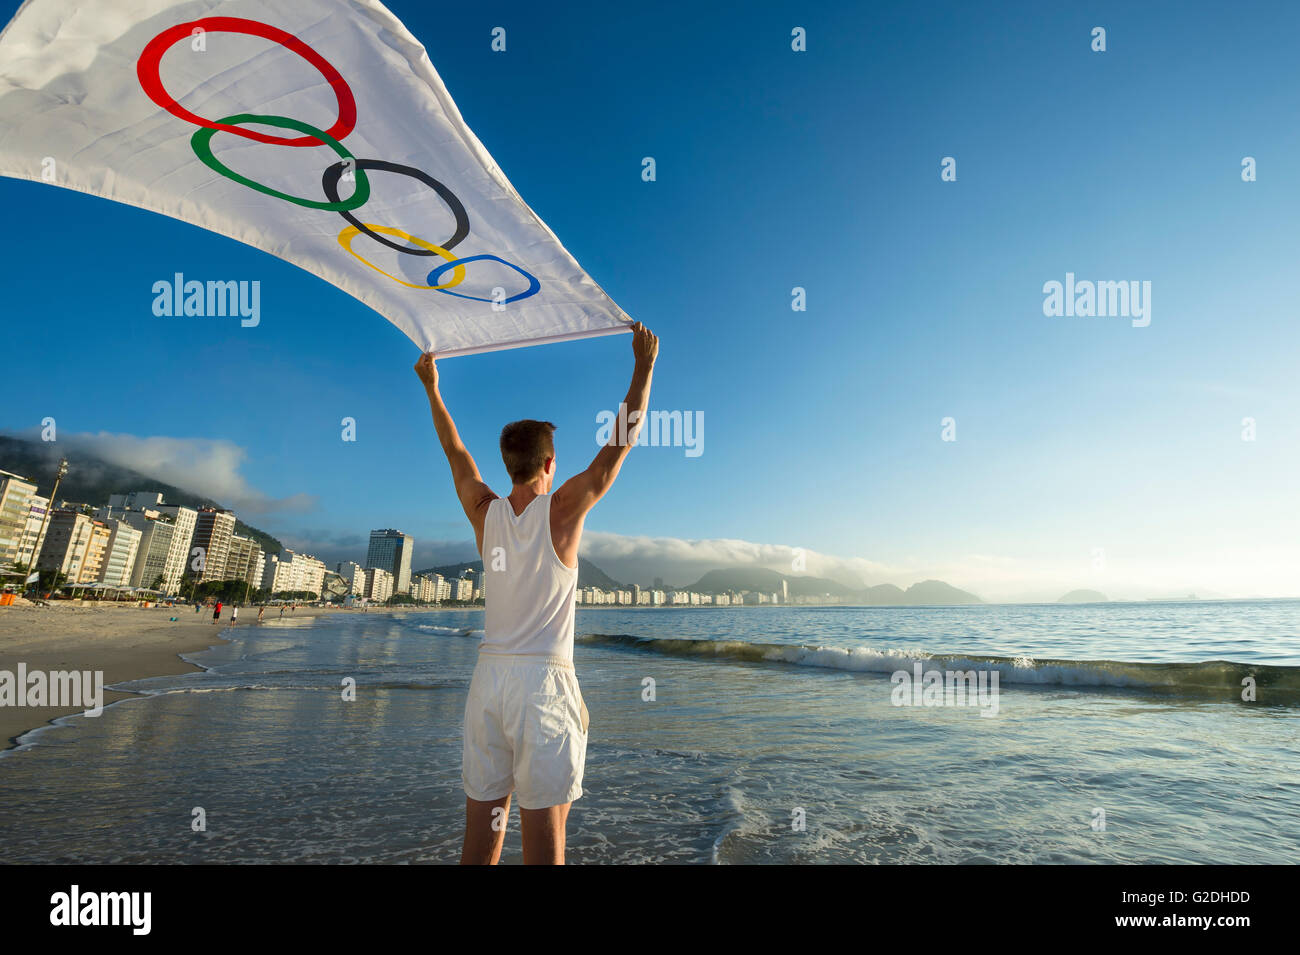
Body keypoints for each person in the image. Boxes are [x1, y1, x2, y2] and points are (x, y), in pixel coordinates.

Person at [415, 321, 658, 865]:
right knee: (546, 845)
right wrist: (642, 368)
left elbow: (456, 454)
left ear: (507, 464)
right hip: (543, 689)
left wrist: (432, 388)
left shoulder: (485, 512)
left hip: (489, 683)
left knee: (481, 837)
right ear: (550, 463)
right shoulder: (562, 510)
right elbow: (618, 446)